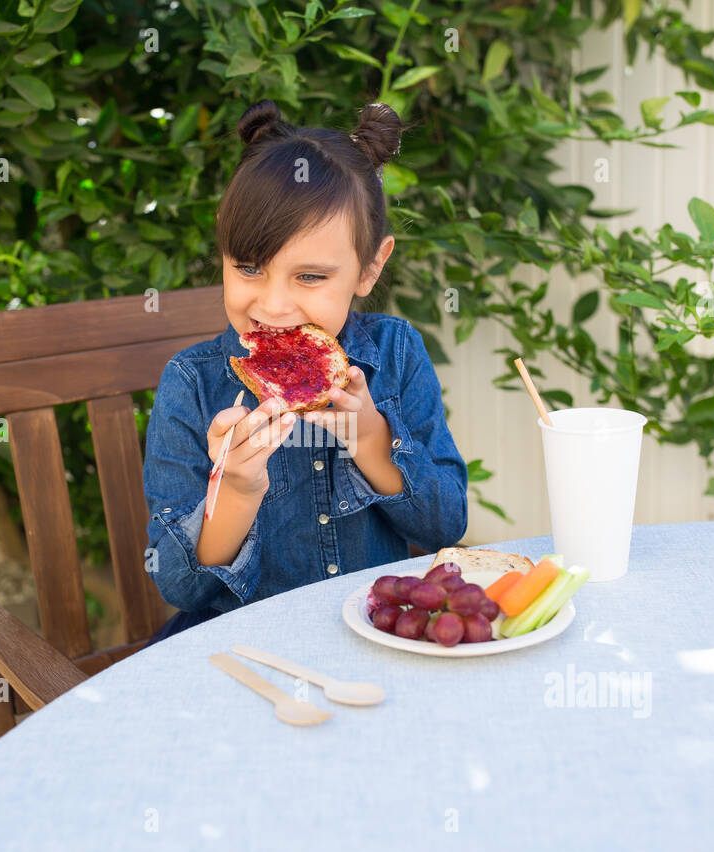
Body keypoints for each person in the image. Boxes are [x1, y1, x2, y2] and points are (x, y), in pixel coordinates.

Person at [143, 99, 469, 646]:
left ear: (370, 268)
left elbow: (446, 524)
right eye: (249, 268)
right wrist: (237, 489)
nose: (273, 305)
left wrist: (371, 440)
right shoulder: (192, 383)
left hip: (371, 639)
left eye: (310, 277)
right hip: (241, 652)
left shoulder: (396, 353)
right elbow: (176, 584)